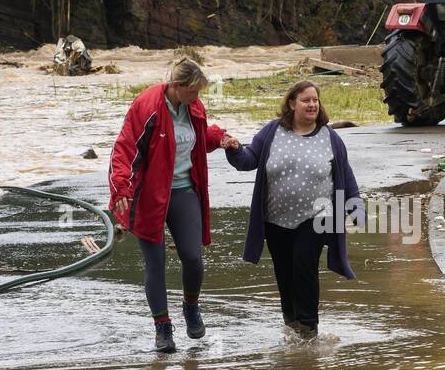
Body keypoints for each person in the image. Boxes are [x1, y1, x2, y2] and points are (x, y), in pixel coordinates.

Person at [108, 58, 237, 353]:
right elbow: (125, 149)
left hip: (183, 190)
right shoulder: (147, 106)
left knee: (192, 256)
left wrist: (221, 138)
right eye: (193, 92)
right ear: (177, 87)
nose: (198, 99)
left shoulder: (194, 107)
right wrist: (121, 189)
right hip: (148, 195)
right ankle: (162, 329)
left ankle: (191, 306)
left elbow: (199, 138)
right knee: (156, 262)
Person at [224, 80, 360, 338]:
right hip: (276, 218)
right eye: (306, 100)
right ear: (291, 103)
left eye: (315, 100)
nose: (312, 105)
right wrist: (234, 149)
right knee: (284, 270)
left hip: (319, 215)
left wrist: (355, 205)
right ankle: (291, 324)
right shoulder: (272, 131)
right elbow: (249, 159)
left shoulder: (330, 137)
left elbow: (346, 174)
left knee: (303, 263)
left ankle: (309, 329)